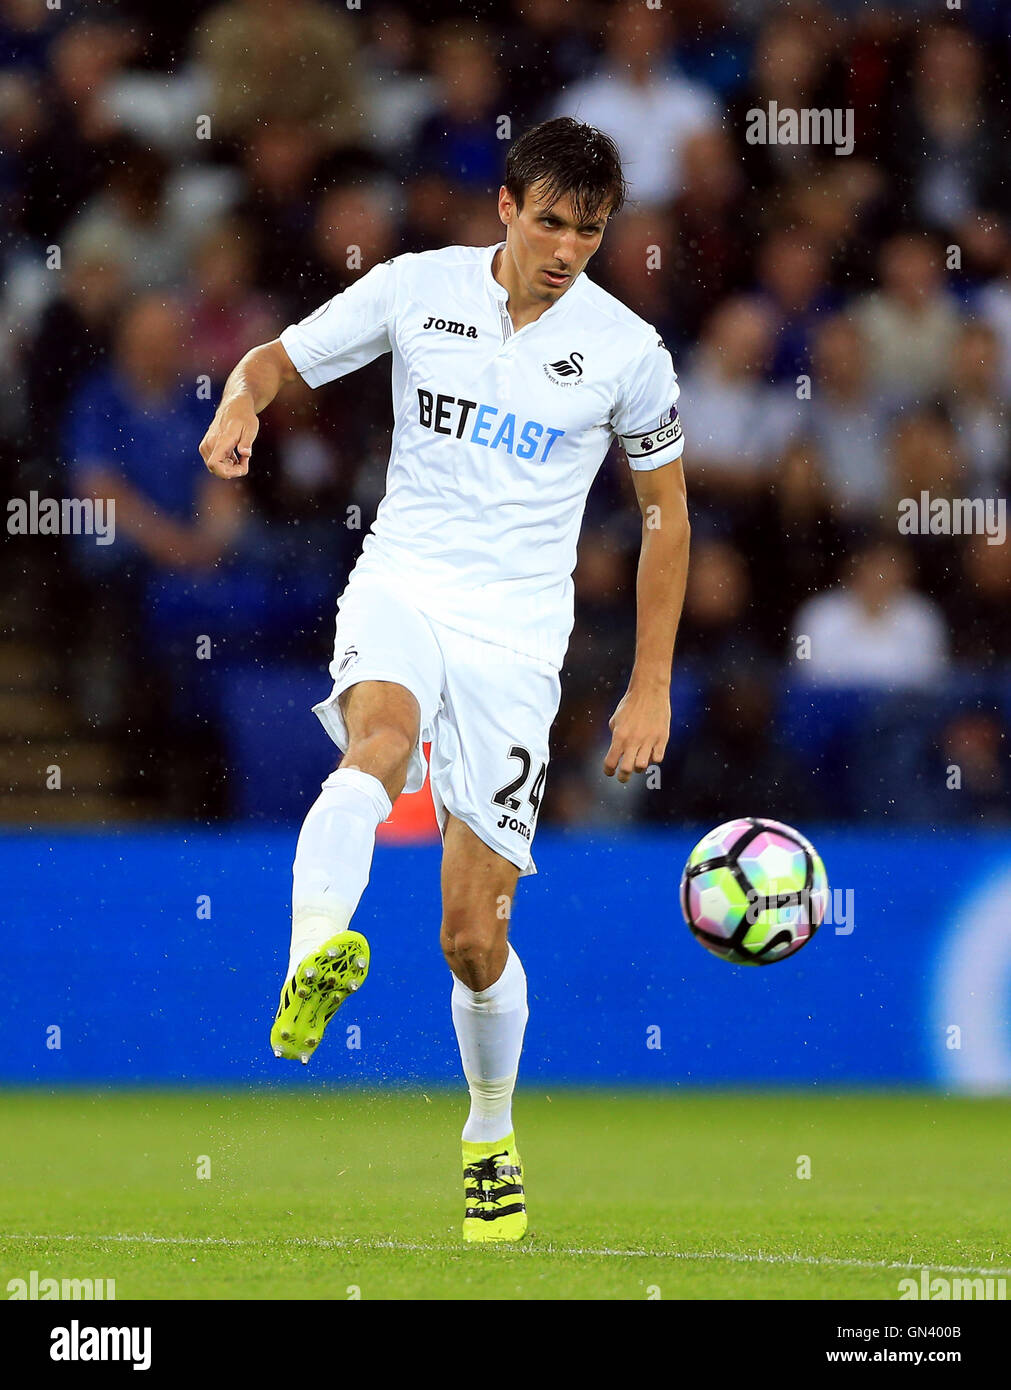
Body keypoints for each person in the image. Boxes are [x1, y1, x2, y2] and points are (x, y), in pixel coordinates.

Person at [198, 118, 691, 1242]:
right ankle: (314, 944)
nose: (569, 249)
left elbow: (668, 519)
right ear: (507, 206)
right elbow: (275, 356)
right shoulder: (418, 288)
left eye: (593, 231)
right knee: (375, 745)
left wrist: (649, 680)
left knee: (473, 938)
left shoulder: (629, 351)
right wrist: (242, 399)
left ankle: (487, 1129)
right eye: (553, 222)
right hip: (404, 587)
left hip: (519, 645)